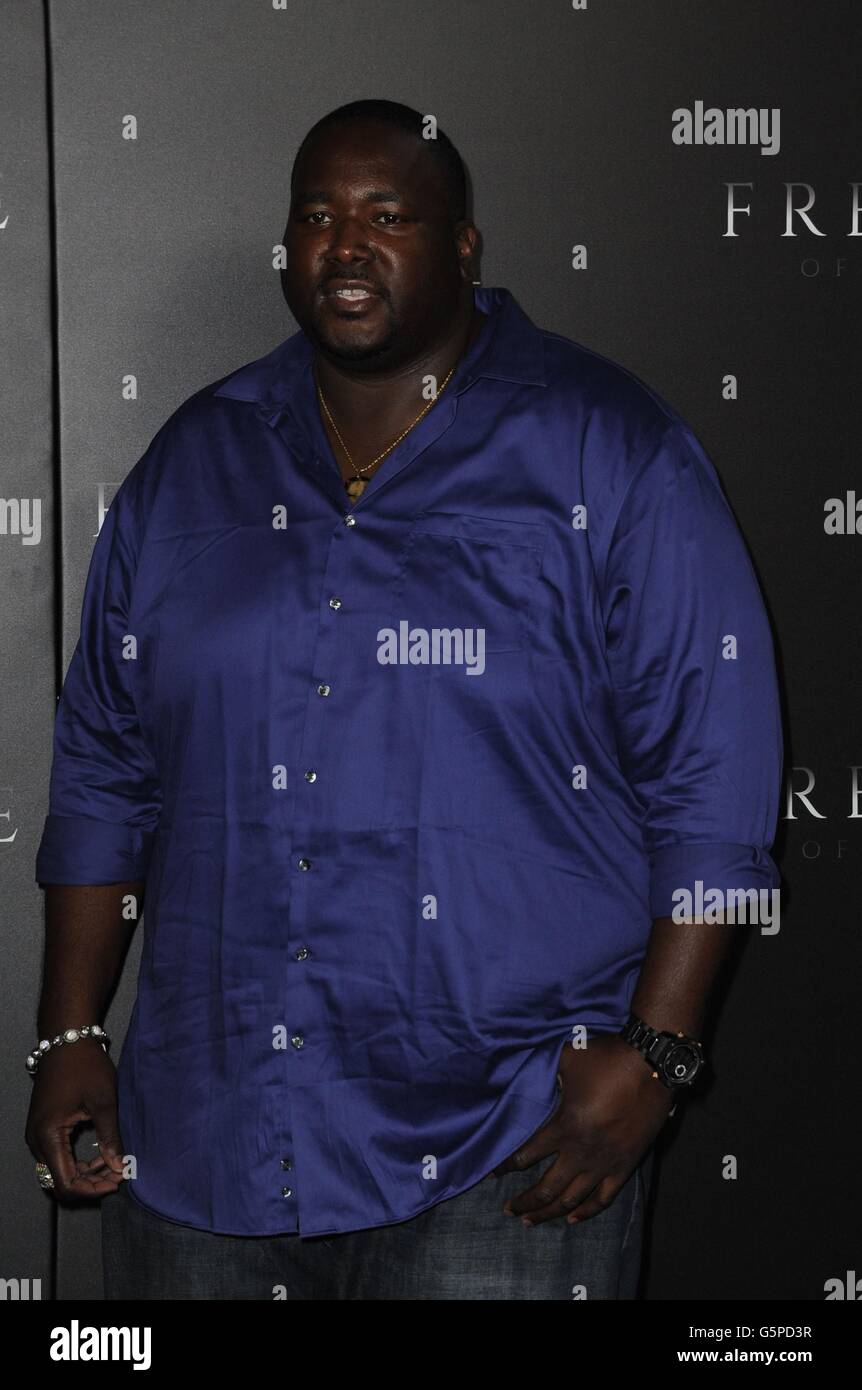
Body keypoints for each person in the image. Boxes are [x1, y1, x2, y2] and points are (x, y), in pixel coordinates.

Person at [26, 98, 783, 1301]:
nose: (346, 244)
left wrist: (655, 1055)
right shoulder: (192, 464)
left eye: (388, 216)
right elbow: (105, 770)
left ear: (464, 246)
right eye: (317, 215)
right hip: (211, 1147)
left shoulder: (609, 449)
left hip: (504, 1144)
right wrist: (71, 1030)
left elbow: (715, 777)